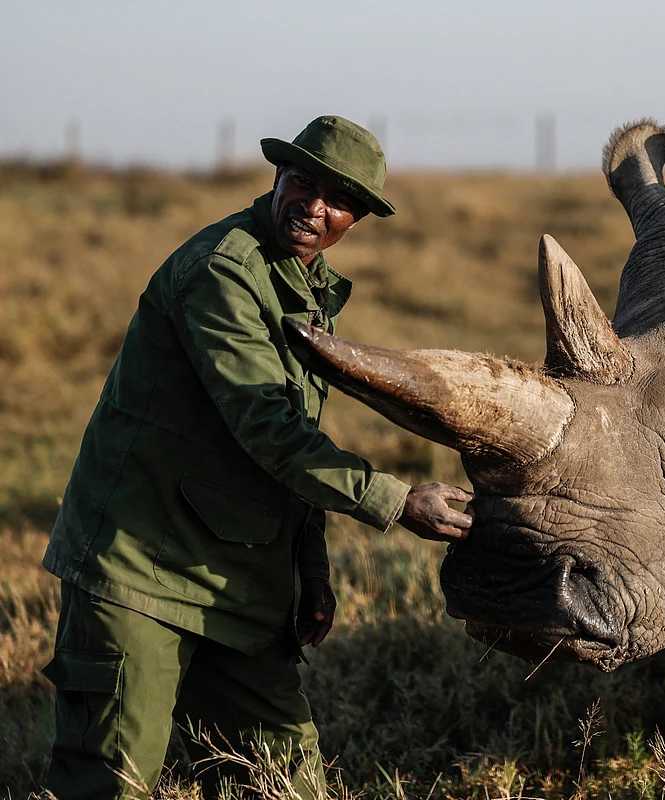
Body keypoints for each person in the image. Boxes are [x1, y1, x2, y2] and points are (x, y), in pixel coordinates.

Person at [39, 115, 474, 799]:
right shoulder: (222, 271)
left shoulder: (306, 286)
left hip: (230, 576)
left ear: (355, 219)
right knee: (109, 781)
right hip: (139, 568)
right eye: (302, 181)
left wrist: (311, 571)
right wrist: (396, 500)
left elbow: (291, 439)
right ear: (277, 177)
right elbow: (269, 428)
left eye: (337, 198)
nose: (313, 205)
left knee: (284, 780)